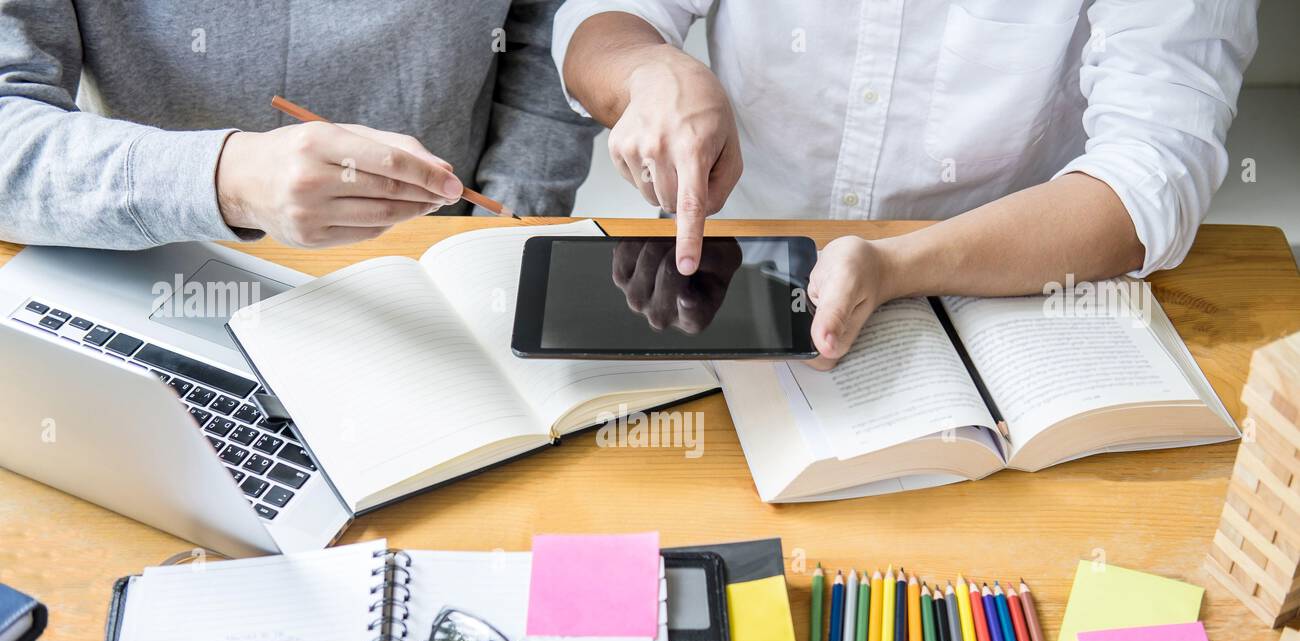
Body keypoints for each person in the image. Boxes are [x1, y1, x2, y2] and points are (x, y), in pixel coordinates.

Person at [553, 0, 1258, 366]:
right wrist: (650, 69)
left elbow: (1151, 174)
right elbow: (597, 23)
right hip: (738, 274)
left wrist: (896, 266)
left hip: (1013, 289)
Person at [0, 1, 598, 250]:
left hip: (439, 277)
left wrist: (508, 233)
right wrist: (222, 180)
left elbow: (543, 31)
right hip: (145, 268)